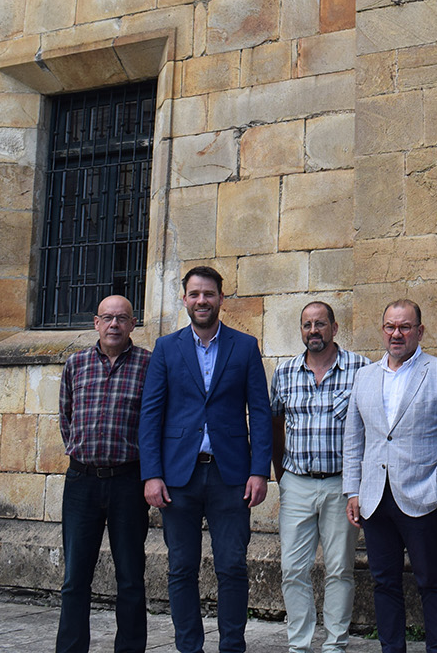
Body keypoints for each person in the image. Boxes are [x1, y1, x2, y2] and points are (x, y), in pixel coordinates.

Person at [140, 266, 271, 653]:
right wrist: (152, 474)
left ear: (220, 299)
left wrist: (259, 470)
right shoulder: (166, 348)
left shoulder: (244, 346)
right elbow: (151, 414)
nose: (202, 301)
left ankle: (232, 645)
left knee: (232, 565)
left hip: (231, 476)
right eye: (194, 294)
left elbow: (260, 413)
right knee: (181, 568)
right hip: (178, 475)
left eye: (209, 294)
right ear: (184, 299)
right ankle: (189, 647)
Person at [343, 300, 437, 653]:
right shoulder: (364, 376)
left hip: (422, 494)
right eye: (390, 327)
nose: (397, 334)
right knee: (383, 582)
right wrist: (353, 490)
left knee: (431, 581)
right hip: (374, 498)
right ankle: (391, 648)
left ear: (420, 331)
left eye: (405, 327)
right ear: (382, 330)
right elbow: (355, 439)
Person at [270, 301, 369, 653]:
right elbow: (275, 425)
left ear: (334, 328)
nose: (314, 331)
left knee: (340, 568)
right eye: (307, 325)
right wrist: (282, 476)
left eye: (321, 324)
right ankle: (299, 644)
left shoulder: (361, 369)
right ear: (301, 330)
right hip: (296, 482)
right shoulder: (284, 373)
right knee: (293, 568)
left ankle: (335, 643)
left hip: (341, 484)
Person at [57, 294, 152, 653]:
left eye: (122, 318)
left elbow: (156, 422)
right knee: (74, 578)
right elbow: (66, 416)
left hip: (129, 481)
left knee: (130, 577)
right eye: (107, 318)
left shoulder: (149, 364)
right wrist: (84, 452)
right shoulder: (76, 363)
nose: (114, 324)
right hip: (81, 482)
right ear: (96, 323)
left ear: (133, 324)